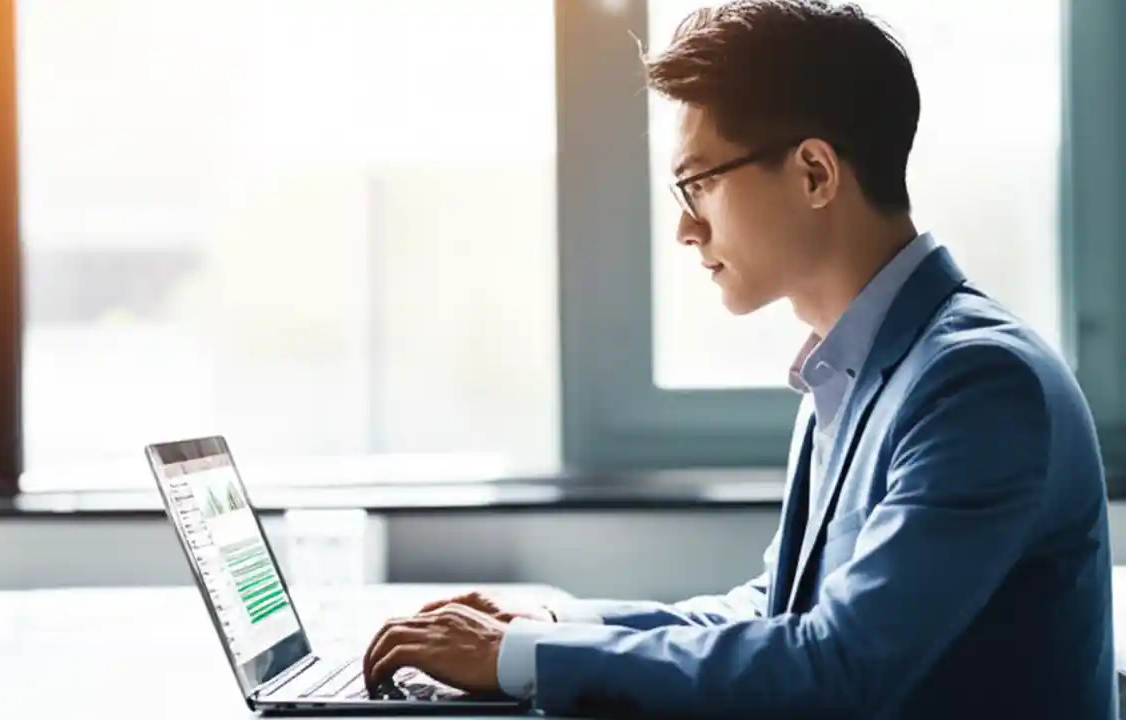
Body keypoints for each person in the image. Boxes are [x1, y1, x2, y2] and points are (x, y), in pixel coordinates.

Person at [362, 1, 1116, 716]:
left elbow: (838, 663)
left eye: (699, 184)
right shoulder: (855, 366)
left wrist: (517, 656)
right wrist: (550, 623)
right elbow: (773, 612)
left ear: (815, 173)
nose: (686, 230)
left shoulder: (978, 385)